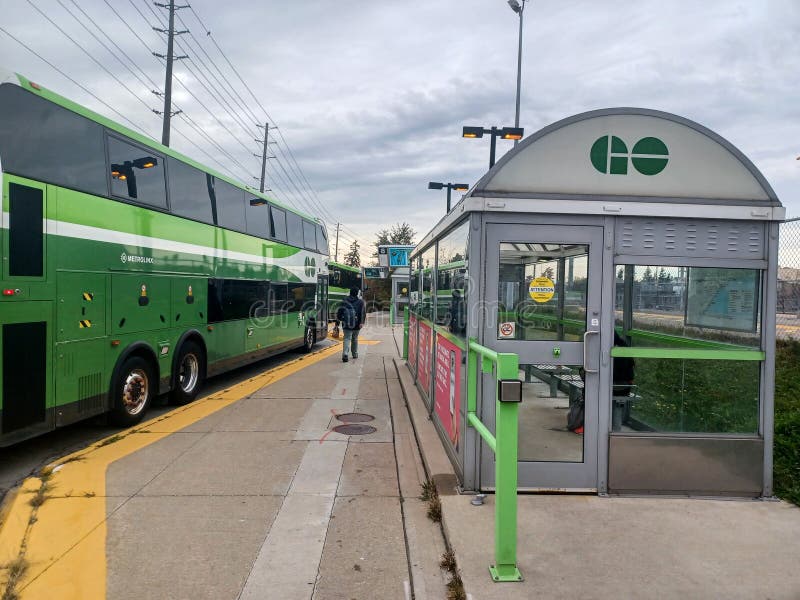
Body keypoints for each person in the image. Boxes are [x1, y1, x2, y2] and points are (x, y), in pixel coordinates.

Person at [337, 287, 366, 362]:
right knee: (355, 338)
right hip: (356, 323)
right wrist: (362, 322)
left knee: (347, 338)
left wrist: (339, 319)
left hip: (346, 323)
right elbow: (362, 313)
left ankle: (345, 354)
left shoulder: (344, 300)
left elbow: (340, 311)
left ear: (350, 292)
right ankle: (354, 354)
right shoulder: (360, 302)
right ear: (357, 293)